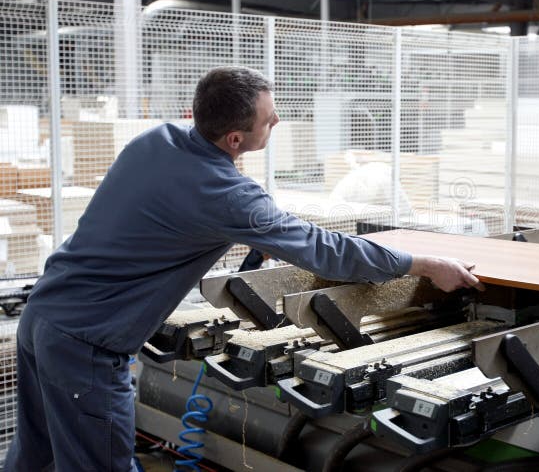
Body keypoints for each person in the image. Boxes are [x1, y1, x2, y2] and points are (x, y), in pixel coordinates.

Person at [4, 66, 481, 471]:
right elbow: (325, 251)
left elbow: (159, 220)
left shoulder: (157, 141)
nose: (277, 122)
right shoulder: (229, 196)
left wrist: (253, 234)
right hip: (86, 345)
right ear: (237, 138)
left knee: (35, 456)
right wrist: (423, 263)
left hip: (43, 316)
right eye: (269, 121)